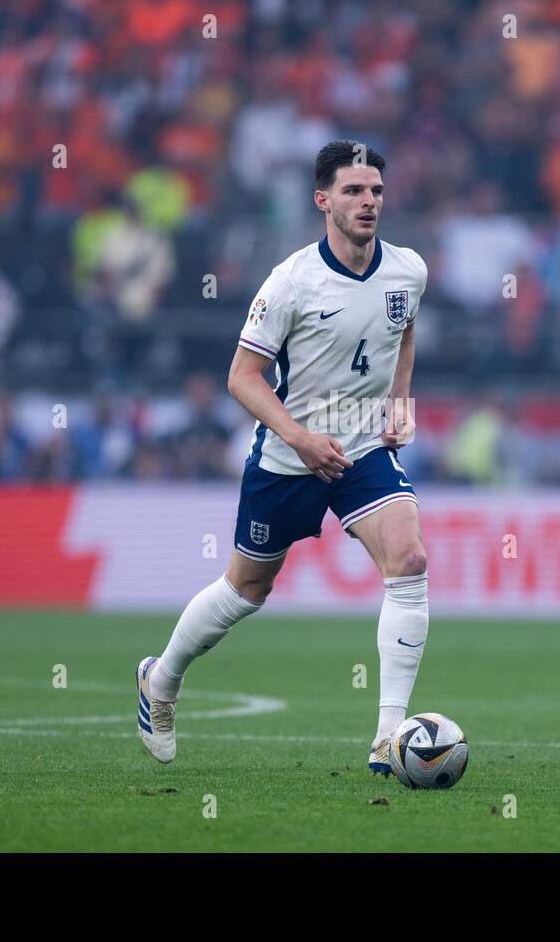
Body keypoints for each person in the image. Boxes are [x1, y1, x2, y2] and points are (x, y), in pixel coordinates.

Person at [136, 141, 429, 777]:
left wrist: (399, 405)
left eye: (376, 190)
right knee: (247, 589)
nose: (369, 201)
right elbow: (242, 377)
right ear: (323, 200)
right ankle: (160, 679)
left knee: (409, 562)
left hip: (362, 450)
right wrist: (298, 437)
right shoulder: (290, 282)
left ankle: (388, 737)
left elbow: (404, 332)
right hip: (289, 457)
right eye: (353, 191)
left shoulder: (408, 271)